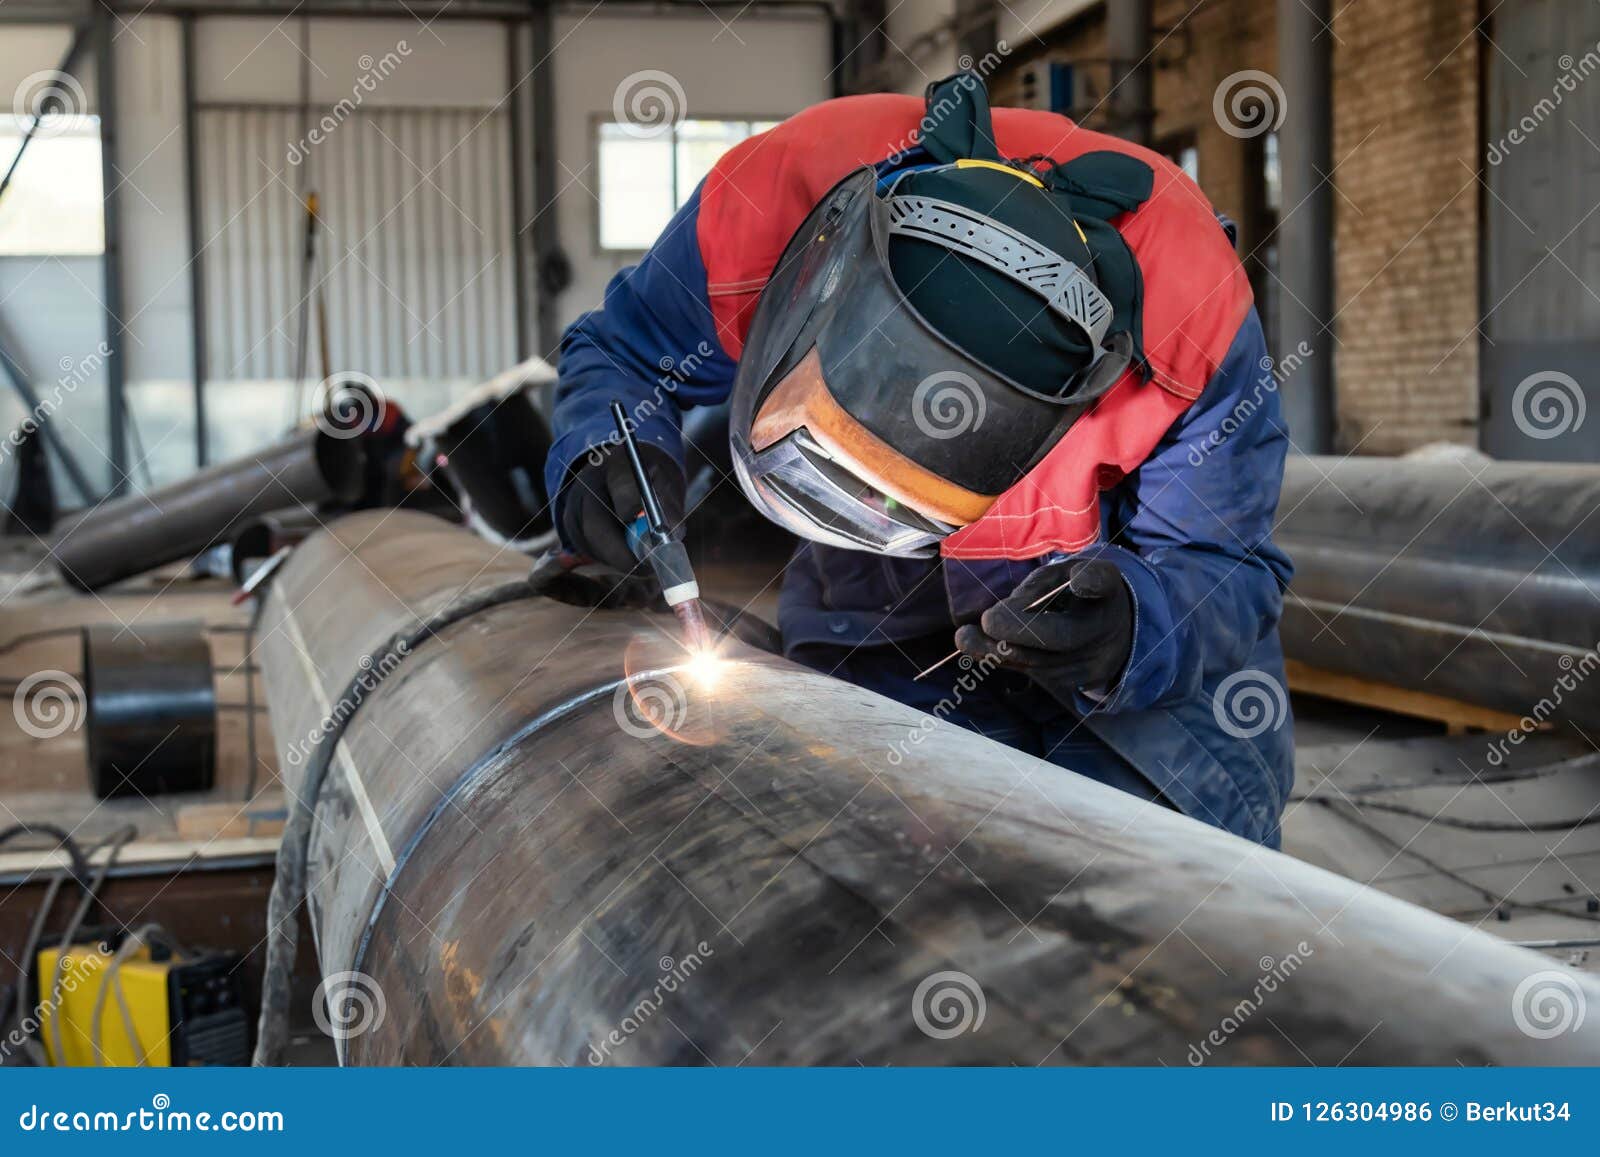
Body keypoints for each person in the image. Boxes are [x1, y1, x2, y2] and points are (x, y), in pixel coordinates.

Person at [545, 74, 1294, 846]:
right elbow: (621, 352)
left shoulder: (1191, 311)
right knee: (850, 879)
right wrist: (605, 453)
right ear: (825, 290)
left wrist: (1135, 625)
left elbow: (1223, 561)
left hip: (1132, 707)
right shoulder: (768, 204)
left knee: (1157, 919)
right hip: (875, 631)